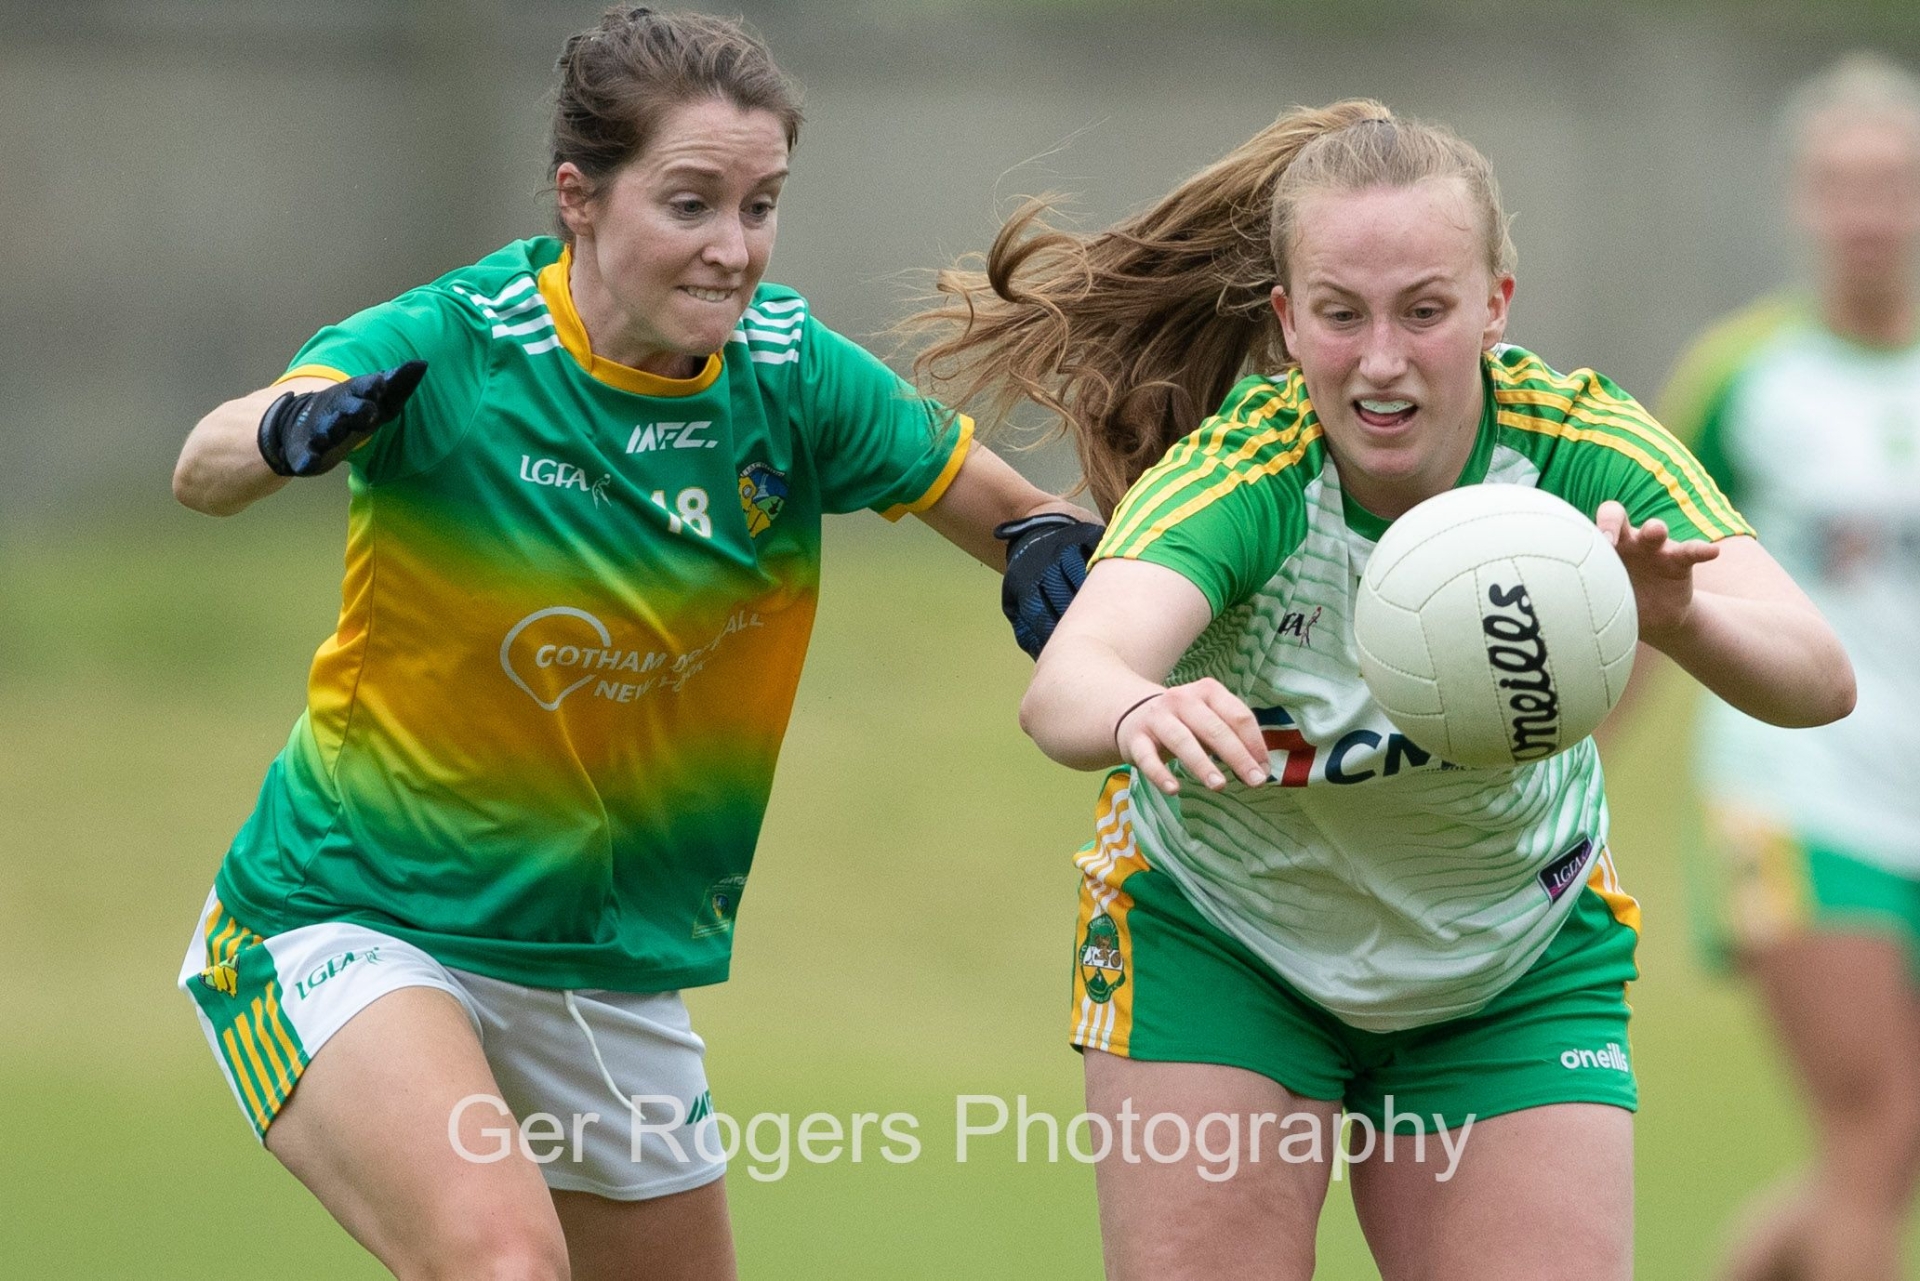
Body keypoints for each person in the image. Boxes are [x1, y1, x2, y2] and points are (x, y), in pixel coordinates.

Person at [168, 8, 1093, 1279]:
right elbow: (205, 465)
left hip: (598, 963)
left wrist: (1051, 553)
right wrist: (285, 433)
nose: (734, 250)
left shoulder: (790, 375)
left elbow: (1024, 522)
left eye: (760, 206)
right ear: (580, 198)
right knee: (505, 1264)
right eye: (692, 203)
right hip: (346, 915)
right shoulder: (461, 343)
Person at [910, 99, 1856, 1280]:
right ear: (1287, 323)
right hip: (1226, 943)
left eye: (1426, 310)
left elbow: (1818, 678)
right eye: (1341, 316)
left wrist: (1683, 617)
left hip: (1511, 959)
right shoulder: (1248, 472)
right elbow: (1068, 689)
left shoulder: (1577, 442)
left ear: (1496, 304)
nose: (1384, 359)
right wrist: (1137, 706)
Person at [1658, 54, 1920, 1281]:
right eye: (1841, 185)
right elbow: (1645, 595)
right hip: (1800, 798)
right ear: (1800, 202)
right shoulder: (1742, 378)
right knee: (1871, 1133)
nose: (1867, 213)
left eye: (1893, 184)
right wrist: (1559, 782)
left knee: (1880, 1156)